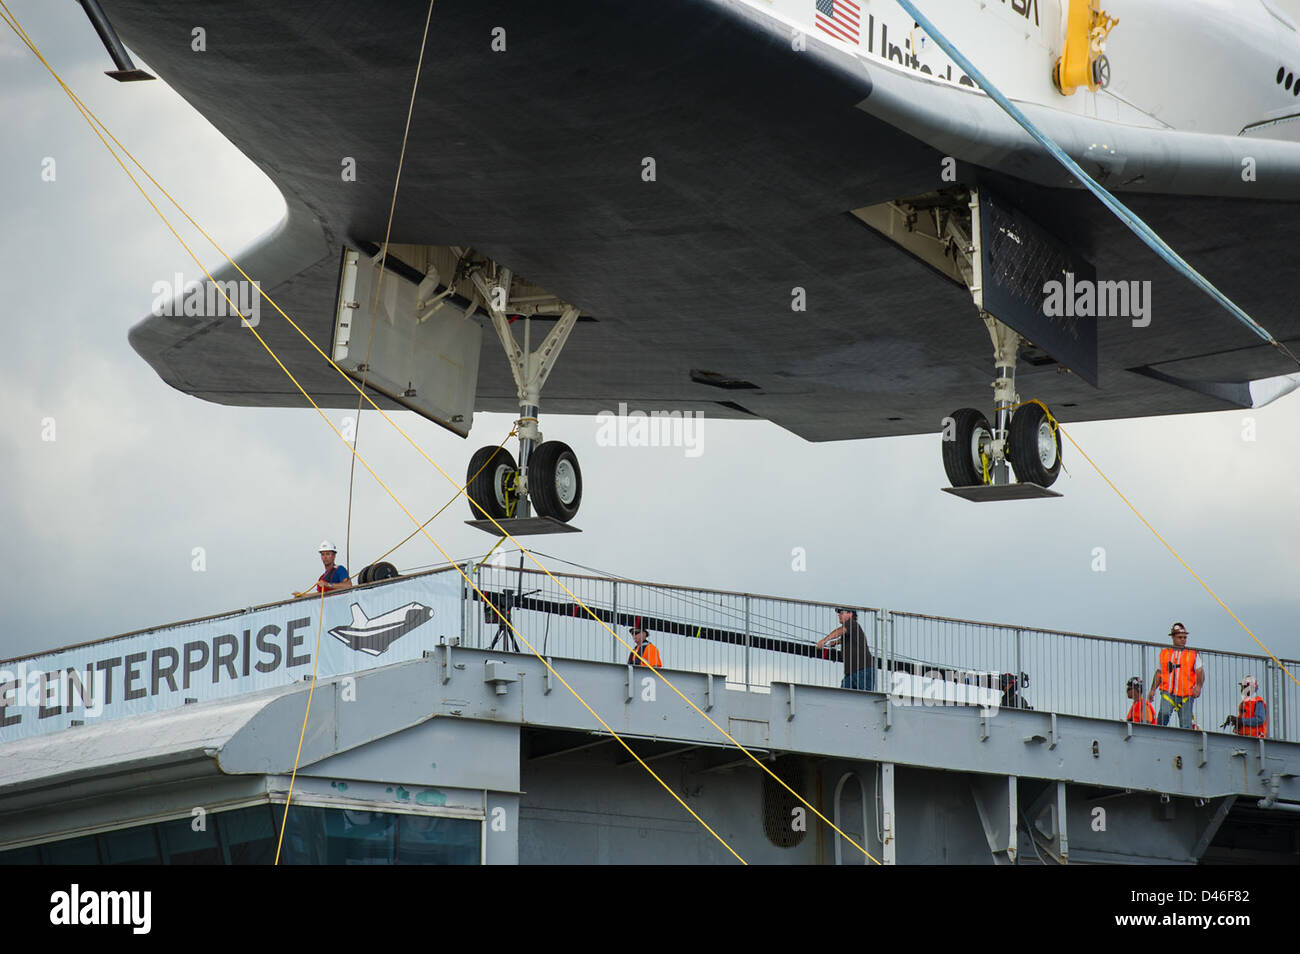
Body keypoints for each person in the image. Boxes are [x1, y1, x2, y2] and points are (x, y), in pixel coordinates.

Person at [1147, 622, 1204, 729]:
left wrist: (1199, 687)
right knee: (1164, 714)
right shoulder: (1165, 653)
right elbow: (1159, 673)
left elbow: (1200, 671)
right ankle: (1157, 735)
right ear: (1173, 638)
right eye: (1180, 637)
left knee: (1185, 724)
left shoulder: (1193, 654)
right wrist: (1152, 690)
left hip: (1186, 694)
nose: (1183, 640)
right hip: (1168, 692)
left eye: (1184, 637)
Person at [817, 608, 874, 691]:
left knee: (863, 698)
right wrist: (836, 642)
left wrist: (824, 640)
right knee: (844, 697)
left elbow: (841, 631)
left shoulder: (852, 623)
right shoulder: (851, 628)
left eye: (841, 612)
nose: (839, 615)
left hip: (862, 670)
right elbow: (847, 637)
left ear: (850, 614)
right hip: (851, 671)